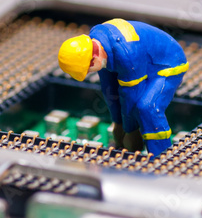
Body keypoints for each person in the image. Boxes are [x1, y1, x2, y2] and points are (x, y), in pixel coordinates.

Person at [58, 19, 188, 155]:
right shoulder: (97, 41)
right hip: (140, 60)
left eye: (88, 69)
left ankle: (161, 155)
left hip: (167, 64)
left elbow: (131, 96)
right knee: (113, 93)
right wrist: (118, 124)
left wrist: (131, 132)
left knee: (147, 107)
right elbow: (109, 90)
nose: (89, 73)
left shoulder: (126, 54)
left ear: (93, 58)